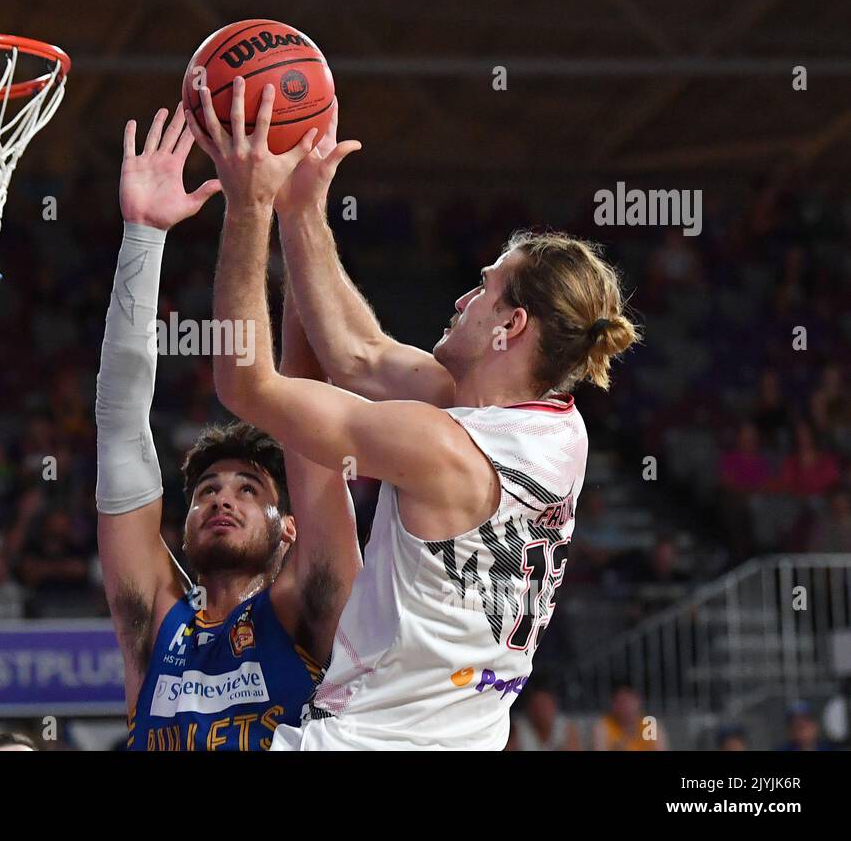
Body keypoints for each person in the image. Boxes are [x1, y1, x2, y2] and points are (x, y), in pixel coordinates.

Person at [187, 82, 639, 749]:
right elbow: (357, 352)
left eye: (482, 289)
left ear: (509, 326)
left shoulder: (444, 448)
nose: (461, 297)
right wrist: (302, 210)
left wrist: (247, 206)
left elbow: (246, 383)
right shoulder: (551, 426)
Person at [96, 104, 361, 751]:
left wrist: (298, 216)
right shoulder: (155, 621)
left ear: (288, 528)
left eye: (250, 489)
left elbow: (311, 420)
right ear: (183, 529)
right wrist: (143, 236)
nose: (221, 497)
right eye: (209, 489)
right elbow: (121, 423)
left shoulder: (305, 610)